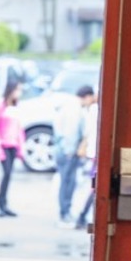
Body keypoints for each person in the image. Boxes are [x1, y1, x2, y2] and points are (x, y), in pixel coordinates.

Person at [54, 84, 96, 227]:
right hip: (68, 152)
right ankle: (64, 213)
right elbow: (70, 133)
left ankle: (65, 212)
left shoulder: (70, 106)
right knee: (67, 183)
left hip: (65, 150)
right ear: (87, 96)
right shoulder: (75, 110)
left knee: (68, 182)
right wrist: (71, 151)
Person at [0, 79, 24, 218]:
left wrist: (21, 147)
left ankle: (4, 204)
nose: (20, 93)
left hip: (13, 146)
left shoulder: (16, 107)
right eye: (18, 90)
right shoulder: (1, 106)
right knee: (6, 174)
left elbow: (19, 129)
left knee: (9, 175)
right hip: (3, 146)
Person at [72, 88, 100, 229]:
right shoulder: (95, 110)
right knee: (95, 188)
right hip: (95, 154)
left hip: (94, 154)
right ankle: (82, 216)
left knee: (94, 187)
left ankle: (83, 216)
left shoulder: (93, 110)